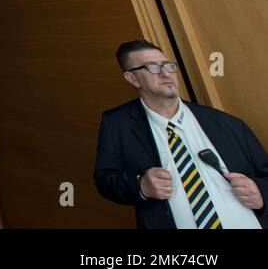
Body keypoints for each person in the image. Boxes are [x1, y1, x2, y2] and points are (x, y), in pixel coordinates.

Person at [94, 40, 266, 229]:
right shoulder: (117, 124)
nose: (165, 73)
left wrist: (260, 193)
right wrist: (141, 186)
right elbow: (105, 180)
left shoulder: (228, 124)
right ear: (132, 79)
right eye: (152, 67)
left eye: (168, 65)